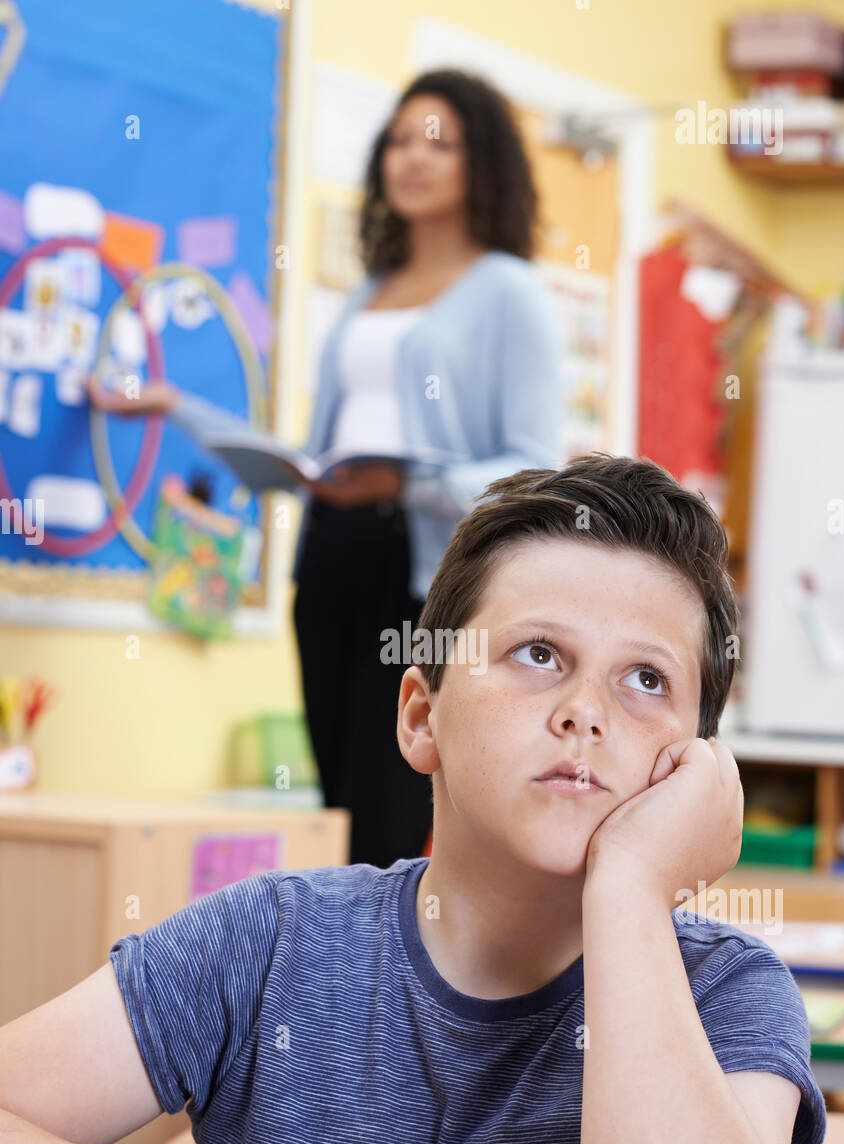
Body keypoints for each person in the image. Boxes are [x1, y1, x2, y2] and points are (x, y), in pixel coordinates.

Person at [0, 455, 825, 1144]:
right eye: (538, 653)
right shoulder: (265, 943)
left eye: (645, 679)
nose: (587, 711)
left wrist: (629, 889)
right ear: (422, 717)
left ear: (693, 767)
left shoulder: (728, 990)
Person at [87, 68, 564, 867]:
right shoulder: (368, 293)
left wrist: (405, 485)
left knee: (390, 811)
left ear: (482, 161)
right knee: (339, 806)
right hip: (332, 556)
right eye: (400, 140)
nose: (412, 158)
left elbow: (531, 471)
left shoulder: (508, 292)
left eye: (438, 142)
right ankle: (350, 984)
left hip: (420, 572)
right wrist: (175, 404)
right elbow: (310, 452)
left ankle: (390, 987)